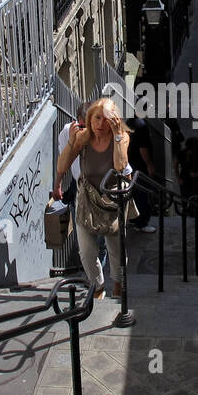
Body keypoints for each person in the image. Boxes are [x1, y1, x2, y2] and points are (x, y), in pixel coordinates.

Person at [53, 97, 134, 299]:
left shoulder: (122, 137)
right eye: (96, 118)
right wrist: (71, 142)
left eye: (106, 119)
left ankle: (118, 282)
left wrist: (116, 136)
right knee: (86, 252)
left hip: (112, 199)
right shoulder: (83, 138)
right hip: (87, 198)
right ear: (89, 119)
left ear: (114, 120)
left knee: (115, 249)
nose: (100, 124)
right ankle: (97, 287)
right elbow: (62, 166)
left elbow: (119, 167)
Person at [126, 113, 157, 233]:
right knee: (143, 194)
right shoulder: (142, 125)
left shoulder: (130, 122)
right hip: (140, 167)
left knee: (133, 194)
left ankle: (134, 220)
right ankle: (142, 222)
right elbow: (143, 148)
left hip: (131, 164)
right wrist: (149, 164)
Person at [177, 136, 198, 215]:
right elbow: (176, 165)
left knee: (194, 199)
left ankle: (193, 213)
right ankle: (186, 211)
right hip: (184, 178)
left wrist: (196, 174)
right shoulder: (182, 153)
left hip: (196, 179)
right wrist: (178, 178)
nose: (191, 151)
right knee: (184, 198)